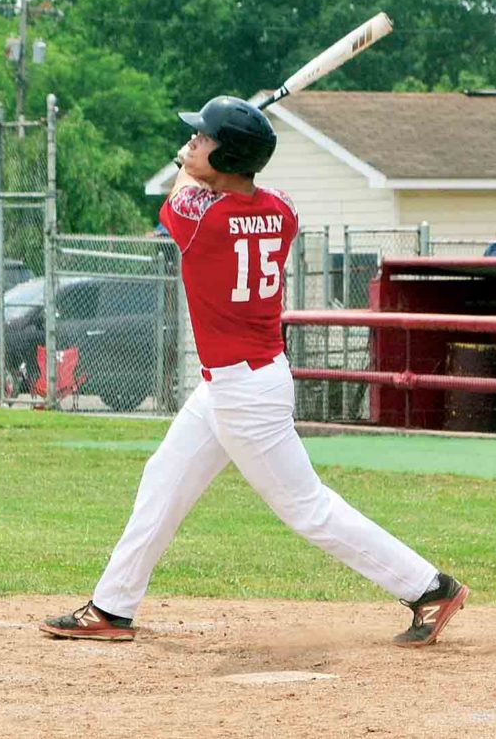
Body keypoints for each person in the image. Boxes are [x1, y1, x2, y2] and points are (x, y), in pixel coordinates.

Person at [41, 96, 468, 646]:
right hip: (232, 384)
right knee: (163, 478)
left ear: (229, 156)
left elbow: (185, 192)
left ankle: (429, 587)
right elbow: (237, 192)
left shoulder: (202, 217)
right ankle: (112, 606)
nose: (192, 142)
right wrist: (218, 149)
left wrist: (189, 160)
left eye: (202, 137)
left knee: (308, 509)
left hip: (246, 393)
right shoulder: (282, 209)